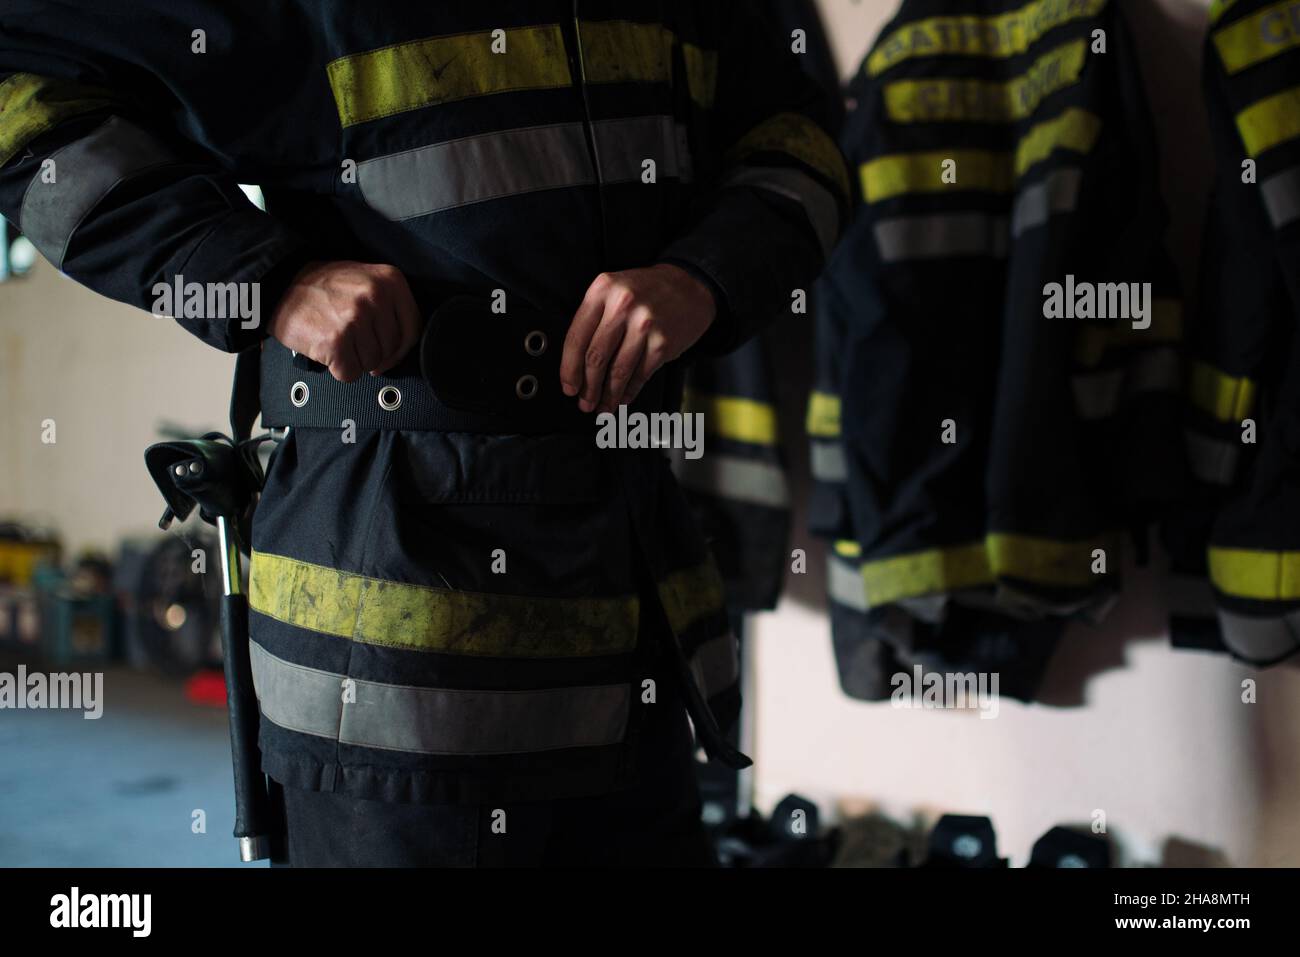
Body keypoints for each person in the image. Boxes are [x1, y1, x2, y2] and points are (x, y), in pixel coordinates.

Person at [0, 1, 847, 866]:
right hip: (396, 665)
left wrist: (705, 274)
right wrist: (263, 277)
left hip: (642, 628)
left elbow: (806, 138)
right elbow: (18, 90)